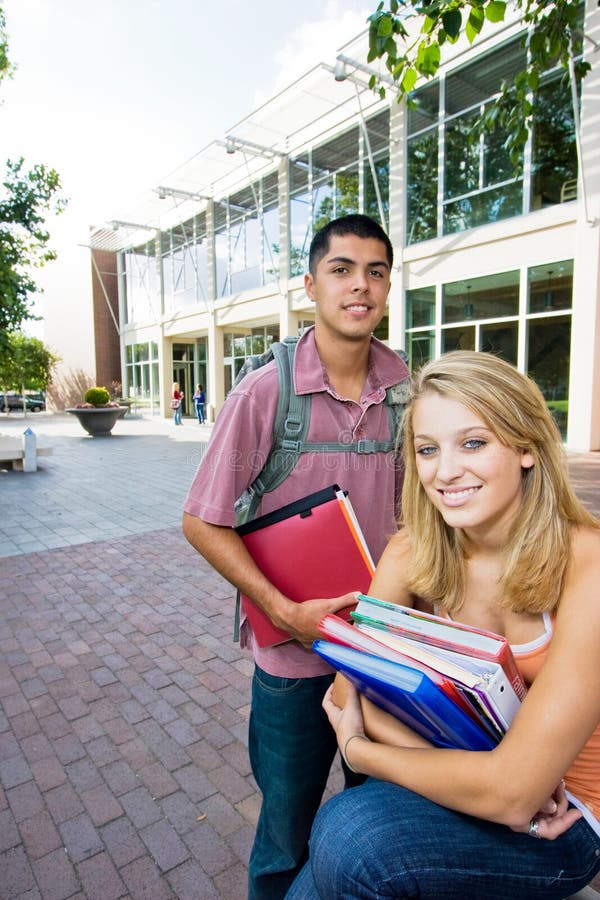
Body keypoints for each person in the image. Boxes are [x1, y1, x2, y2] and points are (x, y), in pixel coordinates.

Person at [287, 350, 600, 900]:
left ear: (527, 447)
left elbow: (514, 795)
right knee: (337, 858)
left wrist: (360, 752)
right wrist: (490, 778)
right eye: (427, 450)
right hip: (475, 782)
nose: (445, 471)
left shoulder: (588, 564)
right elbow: (346, 696)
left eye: (473, 443)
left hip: (568, 818)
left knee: (348, 837)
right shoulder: (414, 551)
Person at [182, 214, 411, 899]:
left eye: (375, 271)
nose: (359, 285)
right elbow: (201, 520)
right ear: (310, 285)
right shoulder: (265, 392)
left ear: (388, 286)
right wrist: (285, 610)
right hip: (292, 661)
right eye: (342, 270)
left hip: (383, 655)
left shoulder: (408, 389)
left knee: (383, 824)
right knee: (286, 831)